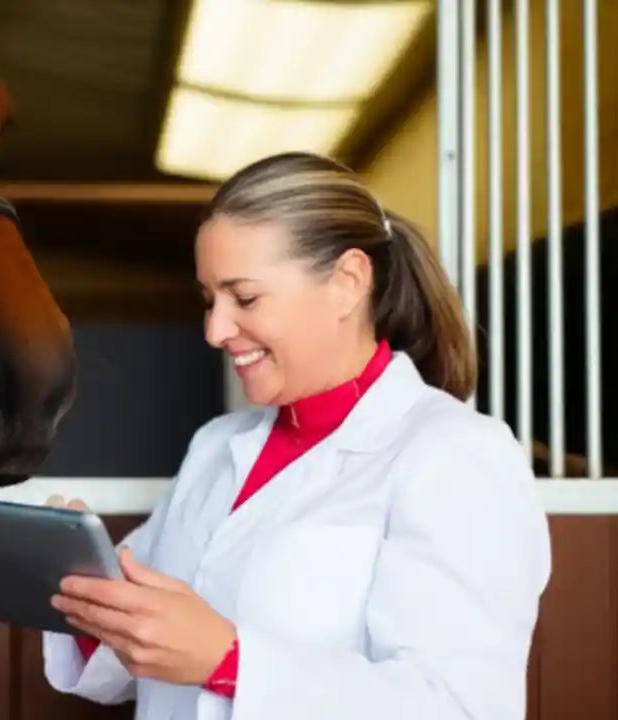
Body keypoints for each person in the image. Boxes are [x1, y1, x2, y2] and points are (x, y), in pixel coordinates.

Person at [40, 151, 551, 720]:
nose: (215, 330)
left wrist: (229, 660)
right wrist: (92, 599)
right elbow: (148, 657)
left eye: (246, 298)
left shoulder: (455, 455)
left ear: (347, 283)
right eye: (210, 300)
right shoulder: (216, 446)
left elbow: (459, 707)